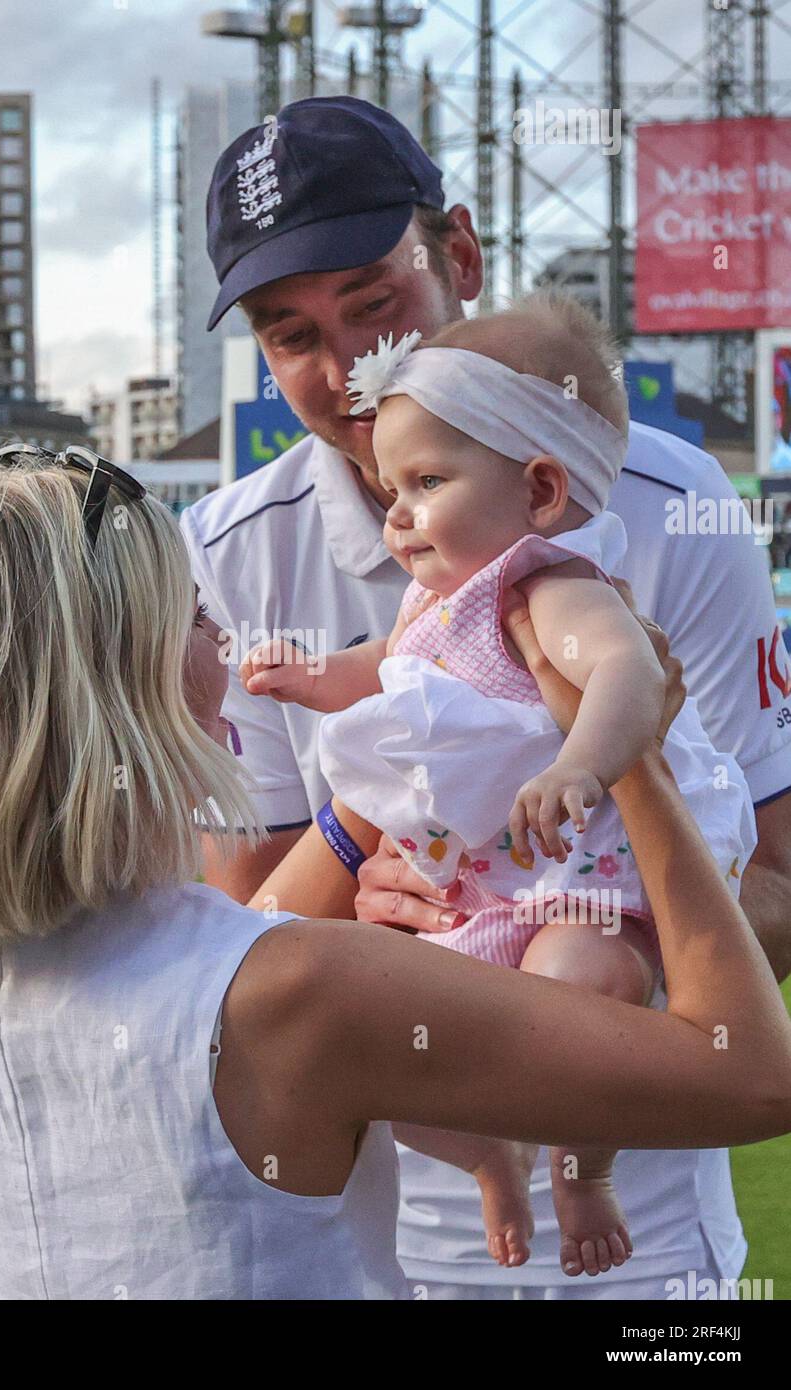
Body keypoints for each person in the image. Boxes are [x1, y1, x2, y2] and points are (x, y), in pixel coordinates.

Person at [0, 445, 791, 1299]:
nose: (221, 643)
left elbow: (207, 959)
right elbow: (746, 1074)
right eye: (187, 618)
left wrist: (408, 741)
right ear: (102, 682)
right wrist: (630, 753)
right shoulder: (298, 989)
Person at [184, 94, 791, 1299]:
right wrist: (369, 880)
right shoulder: (228, 551)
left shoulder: (675, 508)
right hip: (349, 1229)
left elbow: (778, 887)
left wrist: (585, 892)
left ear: (459, 255)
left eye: (373, 303)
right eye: (288, 334)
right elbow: (228, 940)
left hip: (632, 1240)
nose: (346, 369)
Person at [241, 296, 756, 1278]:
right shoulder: (434, 601)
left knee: (584, 989)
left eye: (426, 481)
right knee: (385, 1053)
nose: (396, 511)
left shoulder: (551, 584)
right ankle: (491, 1158)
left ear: (542, 489)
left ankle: (581, 1167)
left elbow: (626, 676)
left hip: (579, 882)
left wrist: (579, 763)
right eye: (391, 485)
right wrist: (306, 678)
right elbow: (376, 663)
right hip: (480, 895)